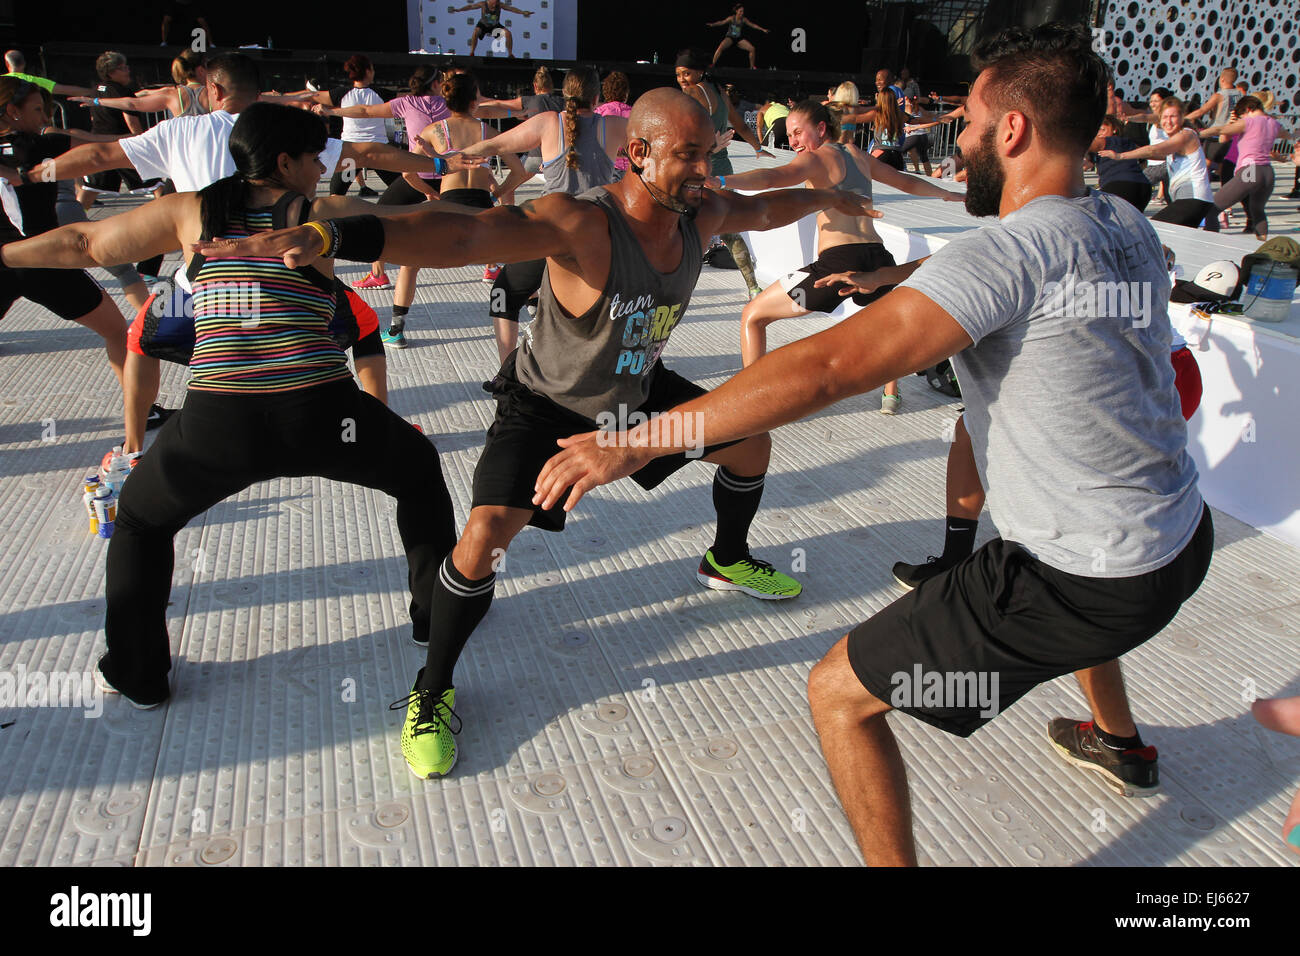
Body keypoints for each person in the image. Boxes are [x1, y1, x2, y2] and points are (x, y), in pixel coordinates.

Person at [532, 23, 1212, 867]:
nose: (957, 139)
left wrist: (641, 441)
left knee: (839, 694)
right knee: (1073, 580)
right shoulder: (1120, 222)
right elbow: (1030, 297)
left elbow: (825, 370)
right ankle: (1120, 742)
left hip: (1082, 579)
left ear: (1013, 131)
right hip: (1179, 541)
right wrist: (896, 281)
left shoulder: (1010, 251)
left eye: (966, 119)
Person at [196, 87, 879, 780]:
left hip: (637, 393)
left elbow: (767, 206)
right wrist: (334, 235)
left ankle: (726, 557)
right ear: (636, 153)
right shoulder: (581, 221)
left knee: (751, 436)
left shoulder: (702, 211)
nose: (703, 170)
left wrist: (829, 201)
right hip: (546, 404)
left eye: (709, 153)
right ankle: (431, 690)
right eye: (687, 155)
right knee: (486, 533)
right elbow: (465, 234)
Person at [3, 102, 458, 710]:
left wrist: (3, 255)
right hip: (325, 415)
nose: (321, 167)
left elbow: (85, 241)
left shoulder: (190, 211)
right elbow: (433, 227)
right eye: (313, 157)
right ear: (284, 161)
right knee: (420, 471)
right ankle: (434, 619)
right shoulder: (321, 216)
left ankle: (138, 675)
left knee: (141, 522)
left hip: (219, 423)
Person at [34, 54, 479, 449]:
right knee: (365, 329)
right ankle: (378, 432)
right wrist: (440, 164)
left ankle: (132, 450)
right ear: (260, 92)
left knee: (137, 341)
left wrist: (39, 172)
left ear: (213, 89)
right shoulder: (286, 131)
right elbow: (370, 153)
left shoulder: (180, 131)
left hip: (203, 286)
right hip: (294, 283)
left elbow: (100, 157)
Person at [711, 99, 962, 418]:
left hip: (839, 262)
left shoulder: (817, 158)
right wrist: (947, 193)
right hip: (878, 257)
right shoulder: (860, 155)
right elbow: (906, 181)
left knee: (753, 315)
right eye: (789, 135)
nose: (793, 142)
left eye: (798, 132)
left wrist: (722, 181)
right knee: (885, 324)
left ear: (820, 128)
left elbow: (773, 178)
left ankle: (753, 399)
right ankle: (890, 392)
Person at [455, 67, 624, 363]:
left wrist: (454, 156)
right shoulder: (612, 126)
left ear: (564, 94)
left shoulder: (548, 123)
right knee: (594, 308)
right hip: (598, 234)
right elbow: (664, 140)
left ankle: (508, 370)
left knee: (503, 294)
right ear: (597, 98)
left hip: (550, 232)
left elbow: (497, 144)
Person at [0, 77, 129, 427]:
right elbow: (107, 147)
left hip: (1, 260)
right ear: (12, 111)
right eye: (38, 110)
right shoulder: (43, 143)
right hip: (43, 258)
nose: (44, 118)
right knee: (118, 330)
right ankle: (142, 411)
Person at [675, 49, 774, 299]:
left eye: (686, 73)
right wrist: (757, 147)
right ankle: (753, 287)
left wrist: (708, 147)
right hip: (721, 169)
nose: (682, 80)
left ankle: (680, 290)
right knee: (729, 230)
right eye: (678, 75)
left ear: (699, 72)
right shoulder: (719, 92)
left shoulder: (691, 94)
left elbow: (685, 133)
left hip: (697, 170)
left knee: (689, 230)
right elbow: (739, 125)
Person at [1101, 97, 1214, 230]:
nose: (1168, 121)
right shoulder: (1177, 136)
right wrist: (1130, 119)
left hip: (1194, 198)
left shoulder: (1186, 135)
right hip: (1188, 199)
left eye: (1173, 116)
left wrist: (1121, 156)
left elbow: (1154, 149)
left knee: (1155, 230)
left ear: (1182, 117)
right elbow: (1145, 118)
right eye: (1165, 117)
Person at [1198, 95, 1281, 240]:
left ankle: (1209, 242)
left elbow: (1220, 131)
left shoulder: (1249, 121)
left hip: (1250, 170)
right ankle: (1261, 245)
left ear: (1248, 109)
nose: (1241, 117)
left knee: (1212, 208)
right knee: (1257, 210)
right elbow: (1287, 135)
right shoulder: (1274, 123)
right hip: (1268, 172)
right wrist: (1293, 135)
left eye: (1241, 114)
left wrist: (1196, 133)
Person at [82, 52, 159, 208]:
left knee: (92, 188)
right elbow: (131, 122)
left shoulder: (95, 91)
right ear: (111, 72)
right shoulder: (123, 92)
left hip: (100, 145)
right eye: (122, 68)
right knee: (156, 182)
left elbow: (93, 118)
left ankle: (72, 219)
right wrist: (142, 140)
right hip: (124, 145)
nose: (128, 70)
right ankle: (170, 216)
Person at [73, 50, 207, 119]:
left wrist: (97, 101)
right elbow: (136, 100)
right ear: (201, 70)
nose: (128, 70)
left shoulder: (171, 93)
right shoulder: (214, 93)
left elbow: (134, 102)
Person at [1088, 114, 1151, 211]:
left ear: (1114, 129)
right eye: (1097, 130)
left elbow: (1083, 143)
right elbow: (1144, 157)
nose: (1098, 134)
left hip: (1120, 186)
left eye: (1102, 129)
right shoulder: (1127, 142)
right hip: (1143, 187)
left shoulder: (1107, 141)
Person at [1184, 68, 1241, 172]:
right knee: (1220, 163)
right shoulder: (1239, 94)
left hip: (1215, 132)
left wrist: (1183, 119)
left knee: (1206, 162)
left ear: (1222, 79)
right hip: (1230, 132)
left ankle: (1203, 184)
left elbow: (1201, 111)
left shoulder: (1219, 95)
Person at [452, 1, 532, 58]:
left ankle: (510, 54)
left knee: (508, 33)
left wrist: (523, 12)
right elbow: (470, 7)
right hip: (483, 25)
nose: (494, 6)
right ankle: (472, 52)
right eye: (492, 4)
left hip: (495, 26)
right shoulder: (483, 4)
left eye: (495, 4)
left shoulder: (500, 5)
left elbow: (511, 9)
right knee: (476, 31)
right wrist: (459, 10)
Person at [4, 49, 98, 98]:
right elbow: (65, 89)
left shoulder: (2, 81)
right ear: (24, 63)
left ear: (7, 64)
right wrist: (94, 92)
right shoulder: (34, 81)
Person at [594, 71, 632, 179]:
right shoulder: (634, 113)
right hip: (629, 170)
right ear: (626, 92)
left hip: (605, 168)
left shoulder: (599, 113)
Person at [708, 5, 768, 70]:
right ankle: (713, 64)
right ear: (736, 11)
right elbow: (722, 22)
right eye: (740, 11)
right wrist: (713, 24)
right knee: (720, 48)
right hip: (730, 37)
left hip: (738, 39)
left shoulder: (744, 19)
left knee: (752, 49)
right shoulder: (731, 18)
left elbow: (753, 25)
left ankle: (752, 67)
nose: (742, 13)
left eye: (743, 11)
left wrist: (762, 29)